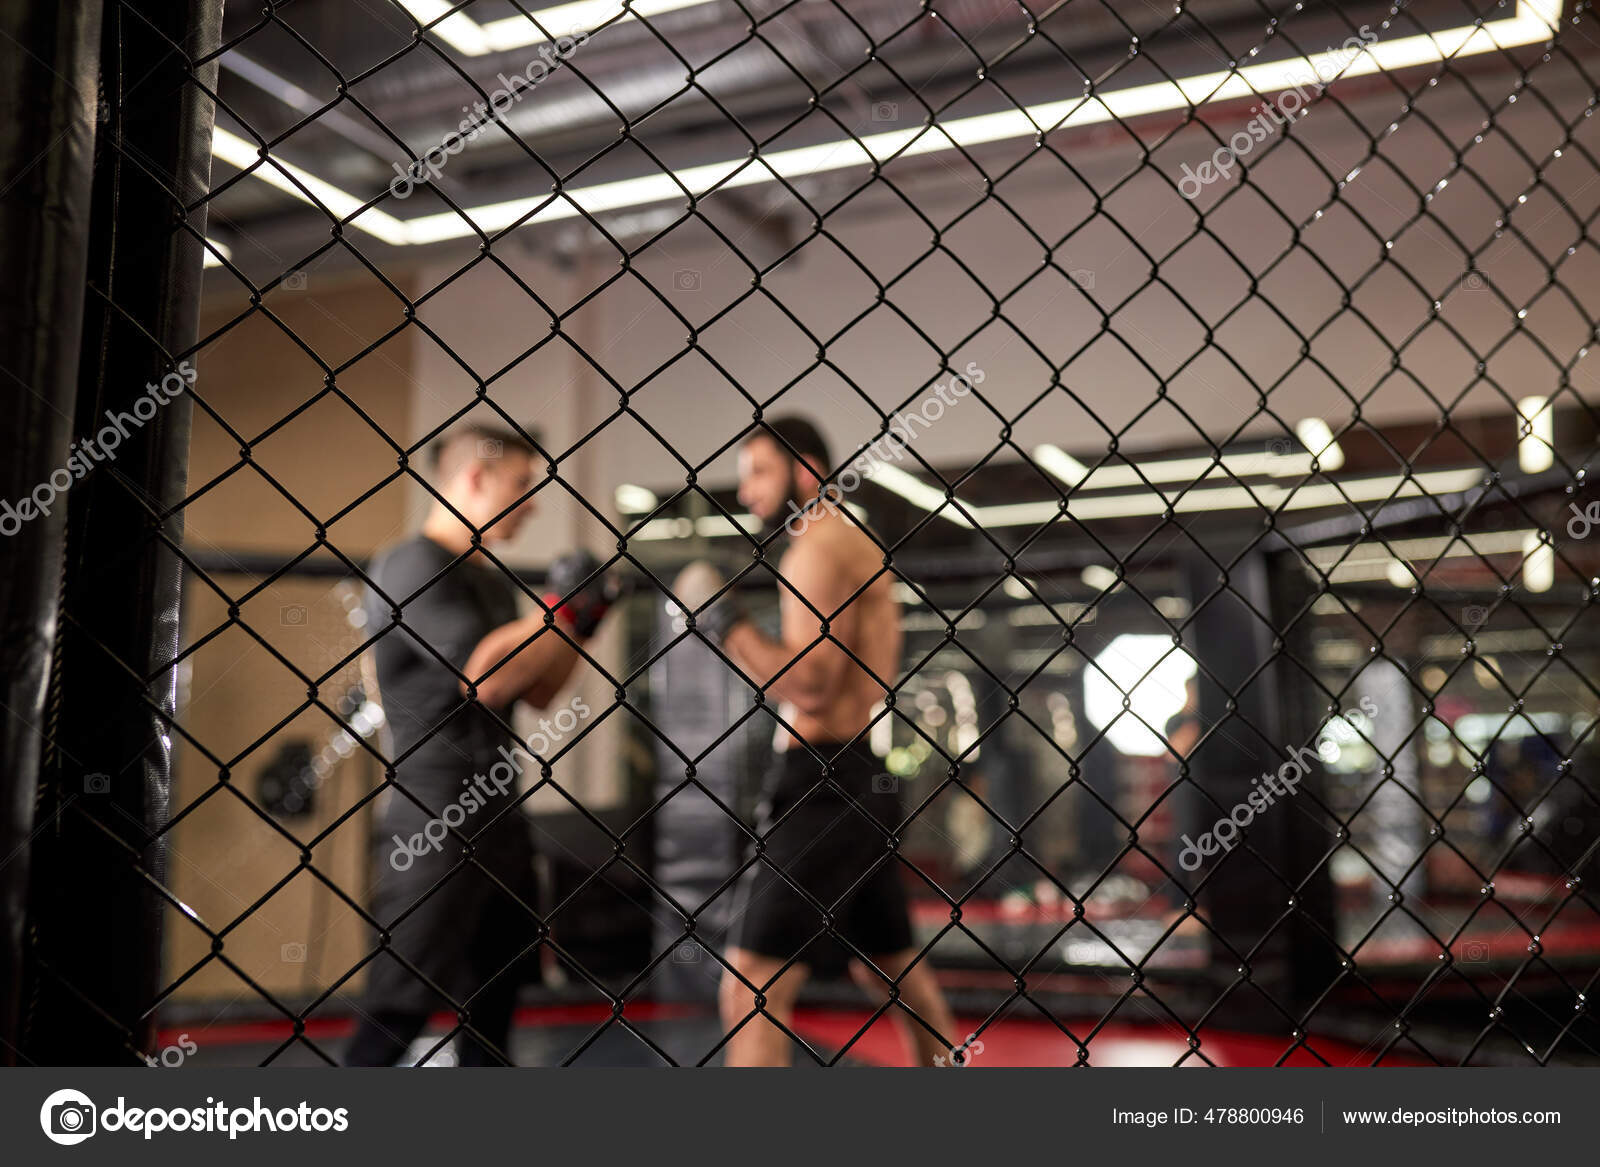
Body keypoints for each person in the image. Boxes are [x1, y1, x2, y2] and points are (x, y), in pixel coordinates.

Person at [672, 416, 957, 1066]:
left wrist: (726, 623)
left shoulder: (818, 546)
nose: (746, 494)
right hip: (858, 775)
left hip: (825, 783)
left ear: (806, 471)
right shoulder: (854, 540)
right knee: (890, 968)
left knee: (751, 988)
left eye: (759, 473)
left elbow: (813, 683)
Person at [345, 423, 614, 1066]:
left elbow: (540, 686)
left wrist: (581, 622)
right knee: (399, 1010)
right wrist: (561, 609)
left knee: (493, 1011)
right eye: (523, 485)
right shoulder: (411, 564)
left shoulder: (489, 580)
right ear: (474, 478)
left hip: (499, 816)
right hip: (432, 819)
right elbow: (487, 678)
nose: (533, 503)